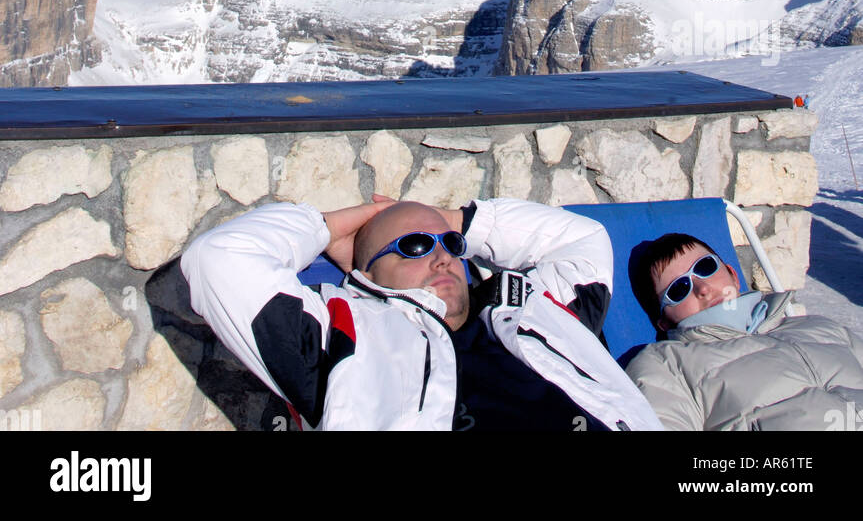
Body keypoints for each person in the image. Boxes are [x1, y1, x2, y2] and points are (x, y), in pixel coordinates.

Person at [181, 193, 663, 432]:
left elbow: (584, 239)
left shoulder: (536, 307)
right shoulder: (344, 336)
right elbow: (218, 259)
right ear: (364, 276)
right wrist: (330, 227)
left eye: (450, 245)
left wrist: (458, 222)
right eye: (412, 246)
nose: (442, 256)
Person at [625, 232, 863, 431]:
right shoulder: (667, 364)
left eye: (705, 267)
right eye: (679, 289)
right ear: (663, 322)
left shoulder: (817, 326)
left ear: (733, 275)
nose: (703, 288)